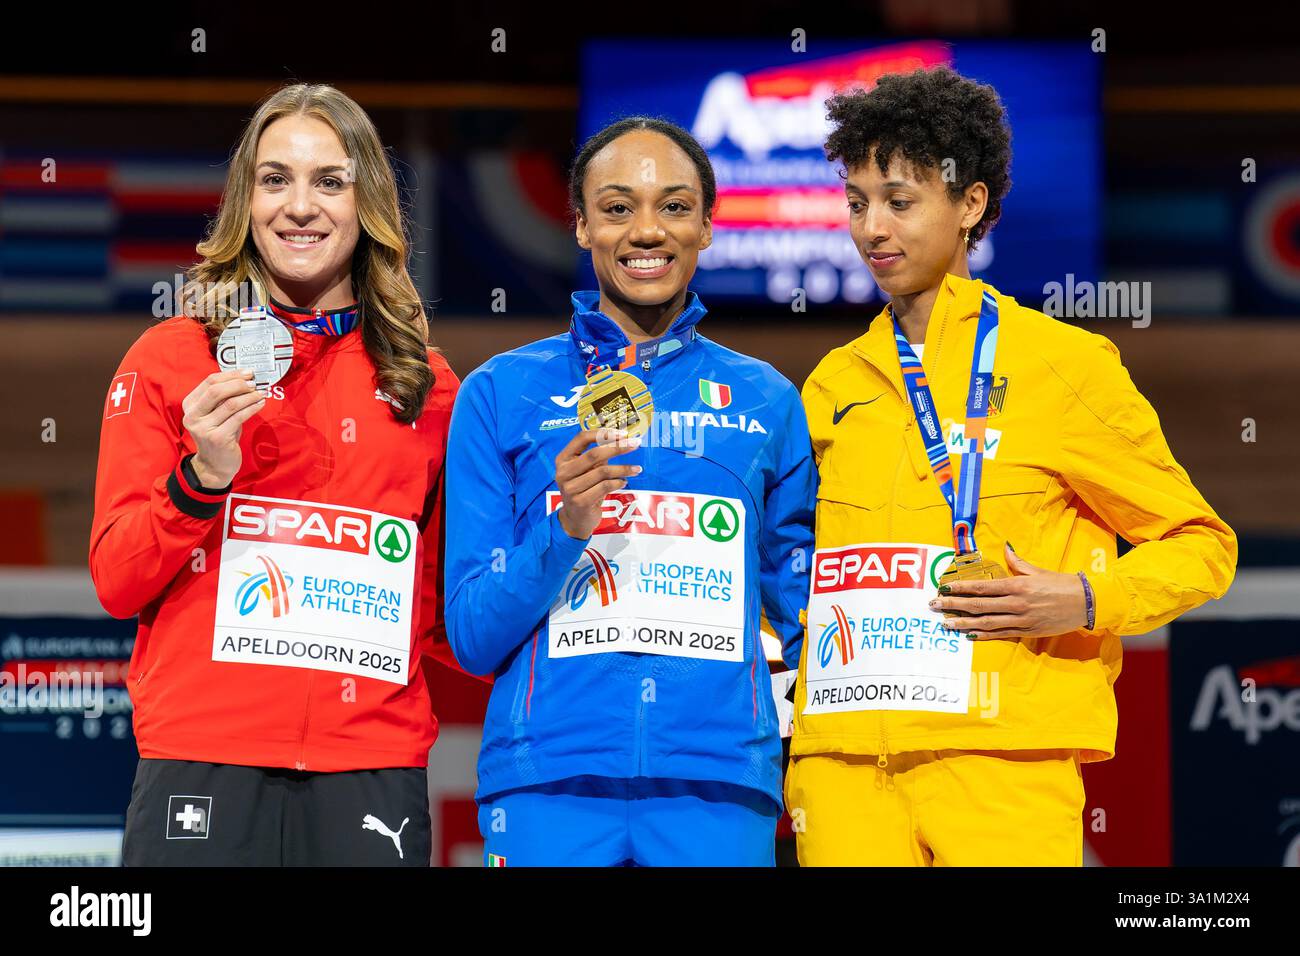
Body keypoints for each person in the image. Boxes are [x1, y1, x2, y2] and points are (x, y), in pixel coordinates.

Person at [787, 66, 1237, 866]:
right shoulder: (832, 385)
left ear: (970, 205)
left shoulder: (1063, 364)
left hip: (1003, 766)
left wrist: (1088, 598)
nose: (872, 228)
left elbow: (1202, 545)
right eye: (857, 201)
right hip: (841, 768)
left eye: (900, 198)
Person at [90, 83, 460, 866]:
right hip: (202, 758)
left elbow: (445, 615)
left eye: (330, 180)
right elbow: (117, 579)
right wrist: (200, 480)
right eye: (274, 179)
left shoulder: (426, 387)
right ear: (243, 202)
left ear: (370, 205)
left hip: (371, 767)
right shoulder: (169, 361)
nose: (301, 206)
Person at [443, 117, 816, 867]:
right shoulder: (499, 393)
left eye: (674, 207)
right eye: (617, 208)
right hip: (547, 782)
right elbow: (473, 635)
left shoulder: (768, 401)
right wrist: (565, 529)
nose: (647, 230)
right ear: (579, 224)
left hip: (719, 786)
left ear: (708, 227)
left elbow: (806, 615)